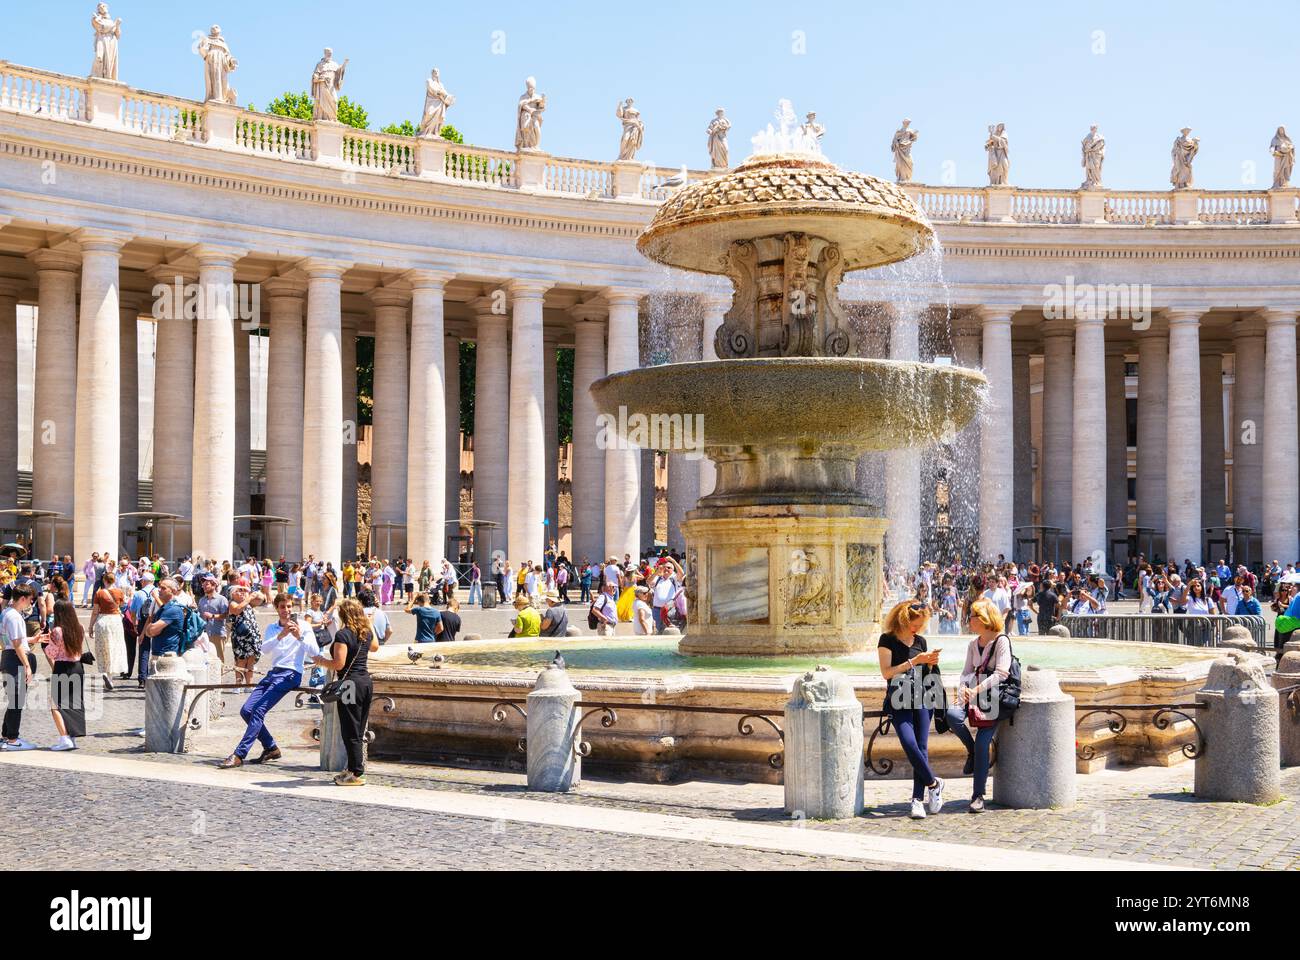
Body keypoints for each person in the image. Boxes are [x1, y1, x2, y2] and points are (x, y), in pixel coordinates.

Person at [219, 592, 319, 769]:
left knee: (258, 710)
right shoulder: (273, 627)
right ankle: (271, 747)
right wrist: (281, 635)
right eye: (282, 607)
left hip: (291, 673)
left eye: (289, 607)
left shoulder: (303, 625)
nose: (286, 611)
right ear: (277, 608)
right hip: (274, 672)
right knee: (246, 710)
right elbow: (263, 649)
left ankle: (239, 754)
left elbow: (314, 651)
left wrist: (299, 636)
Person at [876, 599, 944, 819]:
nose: (918, 628)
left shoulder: (921, 641)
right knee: (908, 742)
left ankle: (917, 800)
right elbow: (887, 673)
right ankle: (934, 784)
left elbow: (926, 674)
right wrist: (914, 661)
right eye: (915, 624)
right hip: (898, 697)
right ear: (904, 619)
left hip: (922, 697)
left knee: (922, 747)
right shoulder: (887, 640)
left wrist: (931, 662)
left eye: (921, 625)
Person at [943, 599, 1011, 813]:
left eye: (972, 616)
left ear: (983, 619)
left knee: (984, 743)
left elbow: (1002, 673)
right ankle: (971, 751)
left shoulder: (1001, 641)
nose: (968, 620)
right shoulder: (973, 644)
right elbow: (965, 672)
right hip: (972, 694)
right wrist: (963, 688)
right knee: (952, 715)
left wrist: (976, 689)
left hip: (992, 699)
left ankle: (978, 796)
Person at [313, 598, 378, 786]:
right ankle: (351, 768)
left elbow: (339, 664)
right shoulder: (364, 633)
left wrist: (321, 661)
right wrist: (369, 623)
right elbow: (375, 647)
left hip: (350, 685)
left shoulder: (343, 635)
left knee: (351, 730)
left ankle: (357, 773)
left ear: (342, 615)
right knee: (358, 728)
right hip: (366, 683)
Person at [38, 598, 87, 751]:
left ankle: (64, 738)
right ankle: (72, 737)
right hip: (78, 667)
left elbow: (51, 653)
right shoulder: (79, 627)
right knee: (74, 703)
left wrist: (45, 642)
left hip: (63, 668)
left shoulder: (57, 631)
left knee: (56, 705)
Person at [1, 584, 39, 751]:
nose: (31, 603)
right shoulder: (15, 616)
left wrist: (32, 640)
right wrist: (27, 665)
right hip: (15, 659)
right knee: (17, 701)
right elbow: (16, 644)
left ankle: (6, 736)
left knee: (14, 700)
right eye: (30, 600)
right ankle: (12, 739)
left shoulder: (6, 613)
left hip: (8, 657)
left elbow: (13, 639)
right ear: (23, 599)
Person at [88, 570, 127, 691]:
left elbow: (95, 612)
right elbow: (123, 605)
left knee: (103, 648)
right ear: (114, 580)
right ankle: (110, 677)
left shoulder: (99, 593)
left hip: (102, 621)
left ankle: (105, 672)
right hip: (115, 621)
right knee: (114, 648)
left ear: (104, 580)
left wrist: (90, 626)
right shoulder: (119, 592)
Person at [227, 582, 265, 691]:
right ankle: (238, 685)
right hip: (240, 637)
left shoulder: (248, 602)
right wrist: (248, 598)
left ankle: (249, 685)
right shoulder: (232, 603)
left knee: (251, 660)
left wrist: (247, 590)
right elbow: (237, 609)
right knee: (241, 660)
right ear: (232, 594)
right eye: (238, 591)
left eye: (243, 591)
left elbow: (261, 599)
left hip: (252, 636)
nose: (242, 592)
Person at [196, 573, 230, 665]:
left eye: (206, 584)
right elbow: (199, 616)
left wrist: (213, 616)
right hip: (204, 633)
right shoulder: (202, 600)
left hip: (217, 633)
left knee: (218, 658)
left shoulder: (221, 599)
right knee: (205, 657)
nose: (203, 586)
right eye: (203, 584)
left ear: (214, 585)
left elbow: (226, 615)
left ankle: (219, 678)